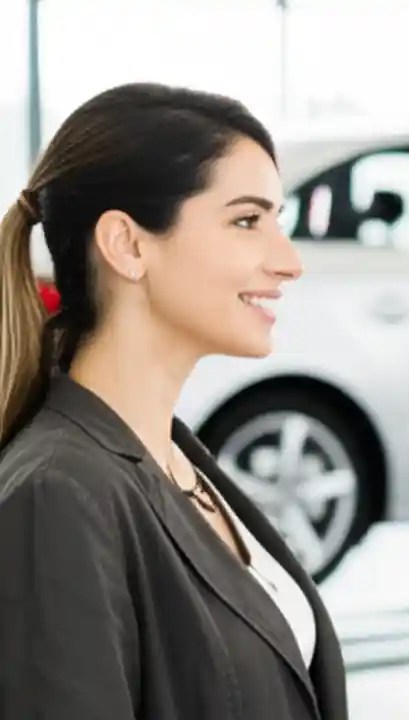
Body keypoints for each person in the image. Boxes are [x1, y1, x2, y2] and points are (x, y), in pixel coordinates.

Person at [0, 83, 347, 719]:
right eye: (247, 220)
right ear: (127, 245)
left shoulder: (181, 463)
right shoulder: (57, 494)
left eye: (279, 222)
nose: (289, 261)